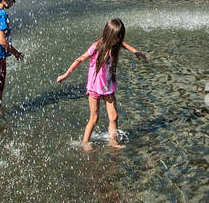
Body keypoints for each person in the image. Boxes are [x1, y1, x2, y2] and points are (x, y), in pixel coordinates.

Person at [57, 17, 146, 148]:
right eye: (116, 37)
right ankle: (85, 143)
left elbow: (123, 44)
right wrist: (66, 74)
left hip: (108, 86)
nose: (118, 41)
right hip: (94, 87)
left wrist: (135, 52)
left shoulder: (116, 44)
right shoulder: (97, 47)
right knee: (94, 118)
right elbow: (80, 59)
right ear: (108, 35)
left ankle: (113, 142)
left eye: (120, 37)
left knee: (114, 116)